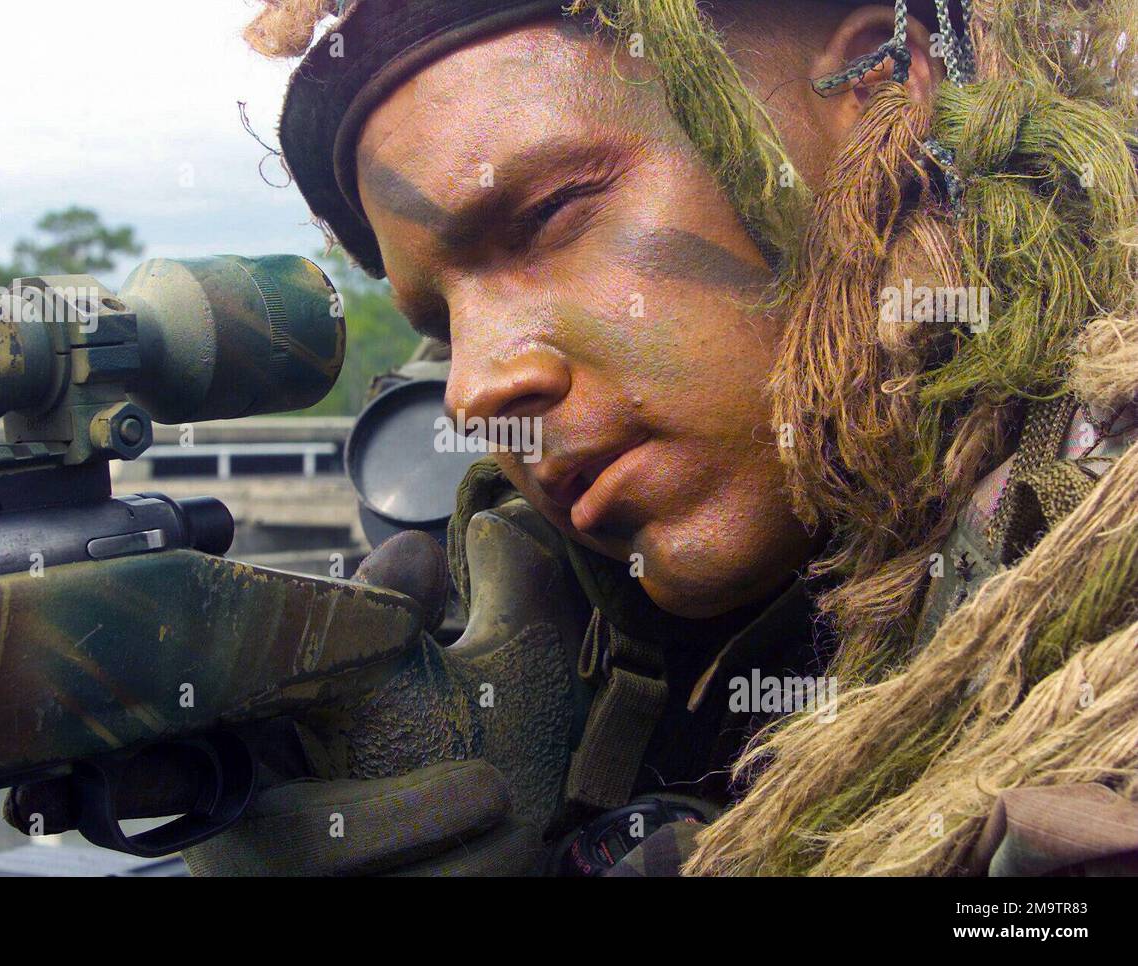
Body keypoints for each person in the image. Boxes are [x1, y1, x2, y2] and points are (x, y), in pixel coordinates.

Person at [146, 0, 1138, 875]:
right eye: (440, 327)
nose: (474, 392)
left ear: (879, 86)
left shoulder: (1102, 549)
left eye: (543, 217)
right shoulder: (541, 612)